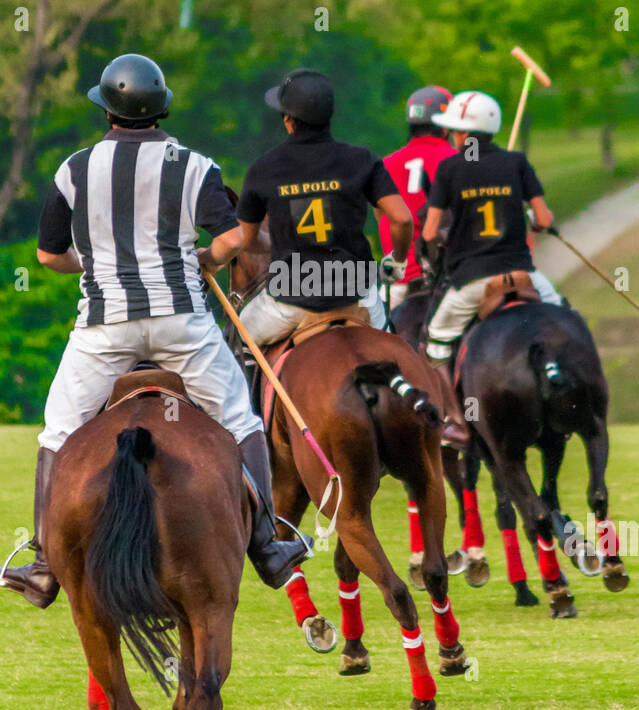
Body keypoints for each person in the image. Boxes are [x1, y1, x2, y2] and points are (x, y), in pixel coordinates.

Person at [0, 53, 308, 609]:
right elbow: (237, 236)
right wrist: (206, 257)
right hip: (180, 321)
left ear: (106, 110)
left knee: (59, 430)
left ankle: (44, 562)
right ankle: (267, 543)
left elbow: (47, 255)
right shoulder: (193, 165)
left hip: (104, 328)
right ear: (160, 107)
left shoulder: (73, 168)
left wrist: (93, 264)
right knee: (239, 418)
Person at [420, 89, 563, 441]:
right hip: (522, 274)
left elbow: (428, 230)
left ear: (466, 134)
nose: (453, 137)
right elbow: (544, 218)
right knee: (562, 317)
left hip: (473, 281)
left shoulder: (450, 168)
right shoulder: (516, 162)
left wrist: (449, 234)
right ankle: (562, 393)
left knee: (434, 344)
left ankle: (455, 419)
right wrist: (535, 220)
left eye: (455, 131)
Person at [236, 69, 413, 344]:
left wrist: (282, 241)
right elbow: (402, 219)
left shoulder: (264, 168)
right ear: (329, 117)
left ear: (287, 120)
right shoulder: (361, 159)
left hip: (290, 299)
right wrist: (398, 260)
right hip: (356, 294)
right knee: (397, 354)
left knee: (237, 340)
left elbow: (246, 241)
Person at [378, 85, 456, 309]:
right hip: (448, 281)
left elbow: (381, 215)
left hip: (399, 284)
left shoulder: (386, 164)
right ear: (445, 127)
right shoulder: (459, 163)